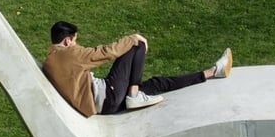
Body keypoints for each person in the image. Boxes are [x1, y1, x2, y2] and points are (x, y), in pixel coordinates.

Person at [42, 20, 233, 116]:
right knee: (135, 46)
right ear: (67, 40)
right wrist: (134, 38)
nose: (77, 43)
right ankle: (134, 94)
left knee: (157, 83)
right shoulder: (69, 54)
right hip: (108, 96)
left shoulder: (50, 62)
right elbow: (104, 53)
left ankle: (213, 71)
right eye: (76, 40)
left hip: (106, 101)